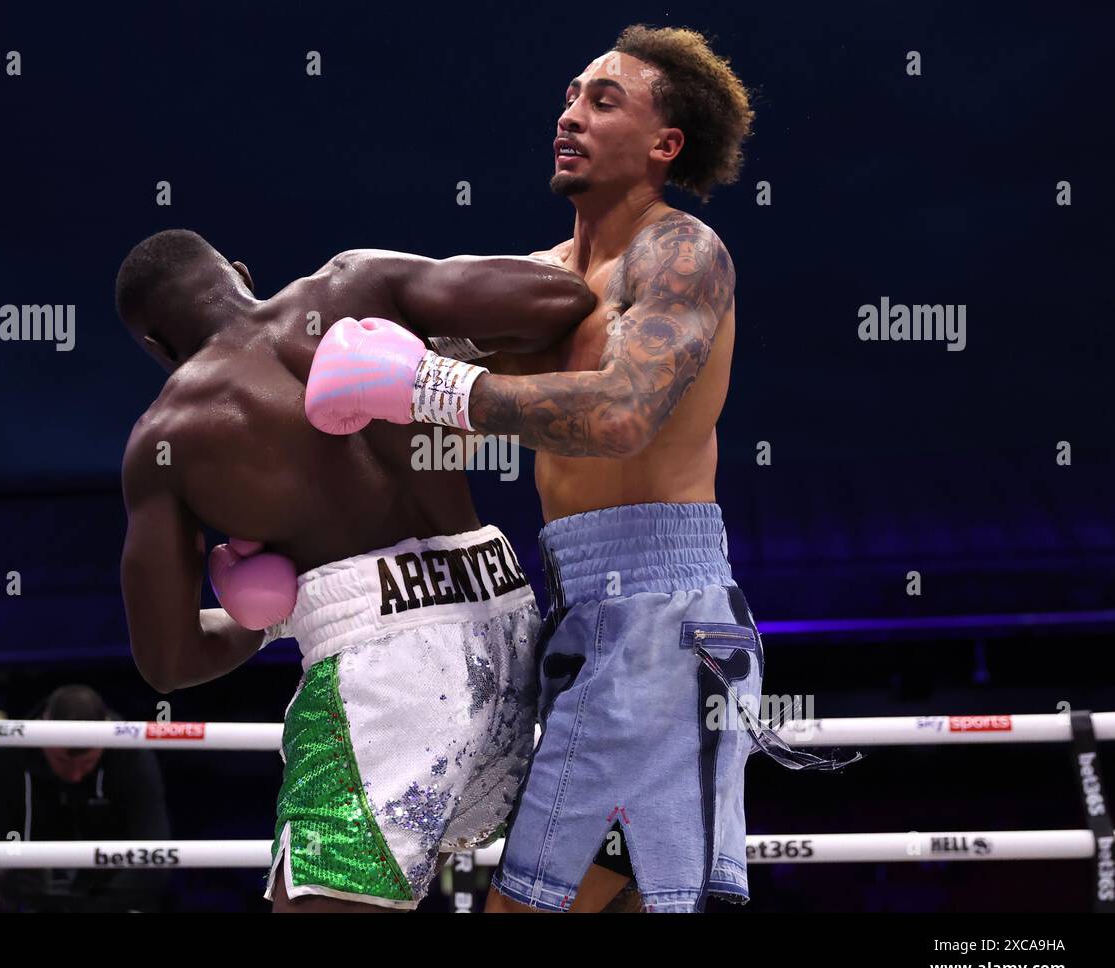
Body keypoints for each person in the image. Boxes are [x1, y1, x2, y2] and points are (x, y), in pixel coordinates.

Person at [306, 24, 853, 914]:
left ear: (664, 144)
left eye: (605, 100)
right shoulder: (538, 279)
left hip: (662, 616)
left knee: (531, 901)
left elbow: (621, 413)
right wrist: (253, 340)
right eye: (570, 95)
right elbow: (373, 345)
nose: (571, 114)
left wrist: (435, 384)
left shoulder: (680, 253)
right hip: (574, 607)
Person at [114, 230, 595, 911]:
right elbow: (560, 298)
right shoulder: (355, 281)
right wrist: (430, 368)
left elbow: (168, 660)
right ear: (242, 271)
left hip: (381, 681)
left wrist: (274, 615)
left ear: (156, 348)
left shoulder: (169, 434)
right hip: (511, 624)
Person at [0, 684, 170, 912]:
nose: (74, 775)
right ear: (42, 735)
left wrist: (92, 907)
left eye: (87, 763)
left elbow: (154, 851)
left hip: (113, 900)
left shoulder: (132, 755)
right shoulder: (8, 756)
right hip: (36, 898)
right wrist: (4, 874)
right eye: (62, 761)